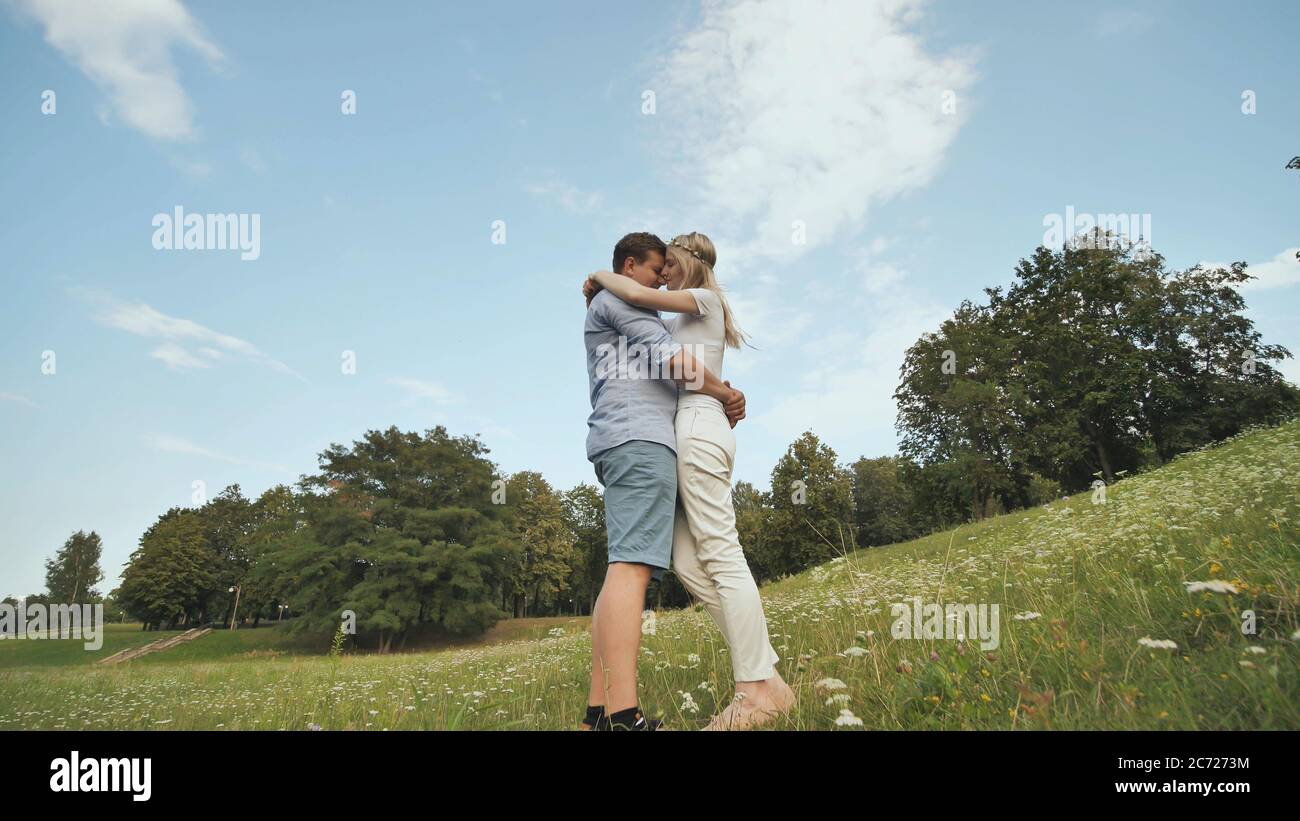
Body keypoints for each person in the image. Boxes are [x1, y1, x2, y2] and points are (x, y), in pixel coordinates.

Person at [583, 232, 795, 730]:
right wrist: (602, 281)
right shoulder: (662, 314)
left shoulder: (702, 299)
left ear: (685, 263)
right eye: (656, 269)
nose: (662, 277)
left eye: (668, 267)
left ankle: (756, 688)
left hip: (697, 427)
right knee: (688, 564)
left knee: (718, 552)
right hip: (673, 434)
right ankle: (768, 681)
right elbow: (636, 300)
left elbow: (638, 297)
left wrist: (600, 277)